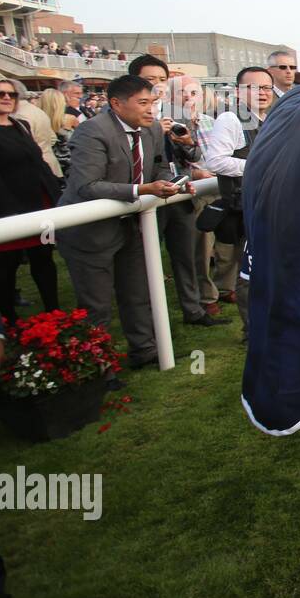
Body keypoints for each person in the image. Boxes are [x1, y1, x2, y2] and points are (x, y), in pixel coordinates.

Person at [56, 75, 193, 385]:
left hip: (131, 224)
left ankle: (144, 350)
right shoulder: (91, 132)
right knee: (97, 305)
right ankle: (98, 367)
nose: (151, 110)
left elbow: (157, 167)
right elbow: (87, 186)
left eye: (153, 103)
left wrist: (175, 183)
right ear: (116, 104)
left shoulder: (154, 129)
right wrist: (145, 188)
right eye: (143, 103)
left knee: (138, 292)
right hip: (88, 233)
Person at [130, 56, 225, 327]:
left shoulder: (179, 116)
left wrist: (185, 141)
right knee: (143, 261)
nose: (157, 86)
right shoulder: (132, 120)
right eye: (151, 80)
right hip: (146, 197)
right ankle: (148, 323)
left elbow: (193, 154)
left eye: (162, 80)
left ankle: (194, 310)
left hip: (180, 195)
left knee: (187, 255)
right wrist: (155, 134)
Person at [205, 67, 274, 335]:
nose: (262, 93)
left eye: (266, 88)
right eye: (254, 88)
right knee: (250, 272)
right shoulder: (231, 119)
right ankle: (252, 331)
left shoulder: (271, 118)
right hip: (246, 208)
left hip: (270, 205)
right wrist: (261, 164)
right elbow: (215, 161)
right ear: (238, 91)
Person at [0, 79, 62, 330]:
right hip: (7, 211)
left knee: (44, 258)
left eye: (11, 94)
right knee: (7, 265)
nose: (6, 97)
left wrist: (56, 197)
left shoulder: (22, 125)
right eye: (1, 93)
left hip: (40, 207)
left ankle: (54, 313)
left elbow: (39, 163)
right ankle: (9, 321)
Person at [11, 81, 62, 180]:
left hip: (36, 171)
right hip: (49, 167)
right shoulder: (36, 110)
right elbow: (52, 138)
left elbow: (22, 149)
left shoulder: (18, 115)